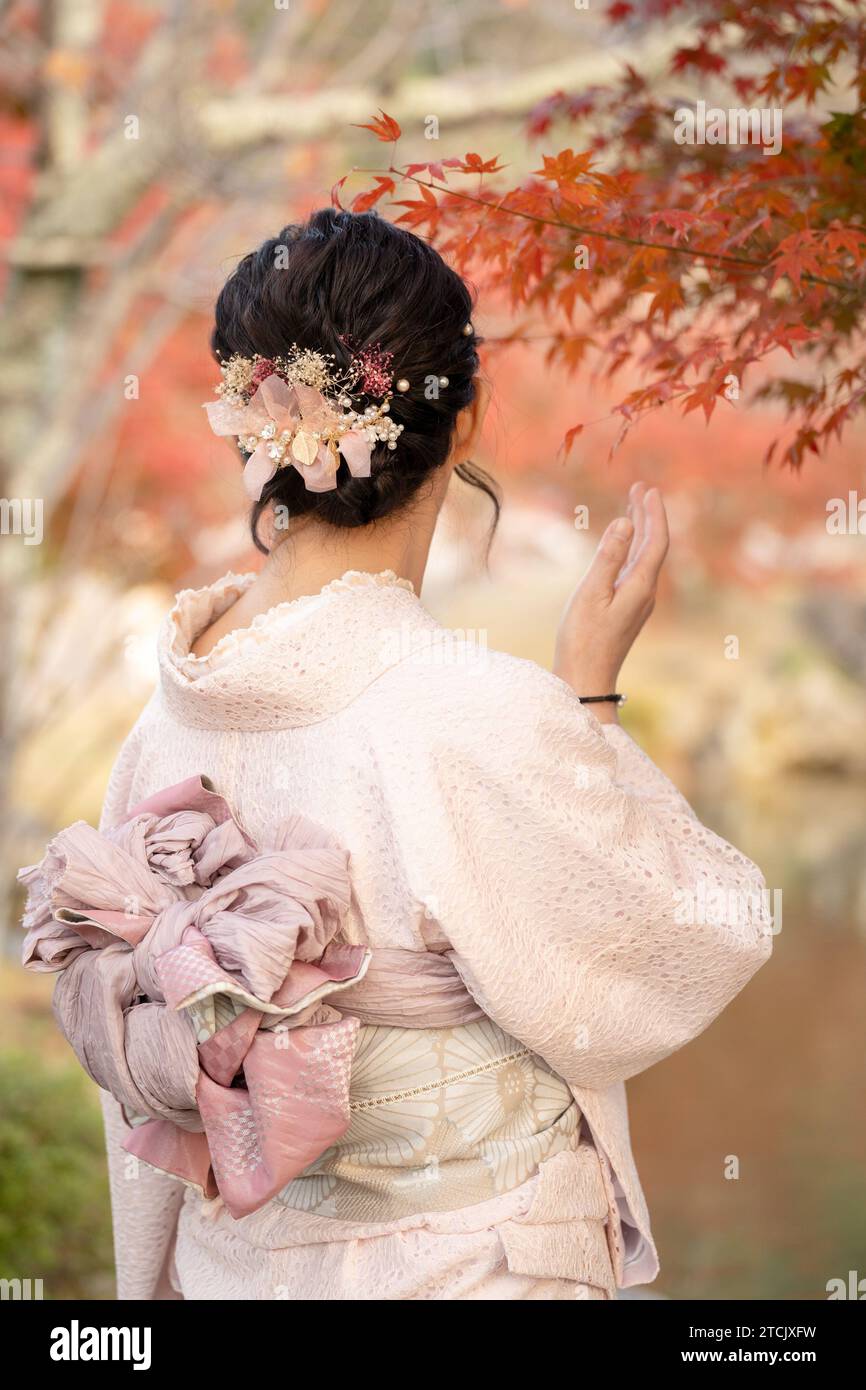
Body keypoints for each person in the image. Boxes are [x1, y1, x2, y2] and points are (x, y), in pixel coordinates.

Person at [23, 209, 772, 1301]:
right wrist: (589, 702)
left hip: (236, 1268)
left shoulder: (165, 718)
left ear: (254, 429)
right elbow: (695, 932)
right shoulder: (467, 706)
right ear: (461, 422)